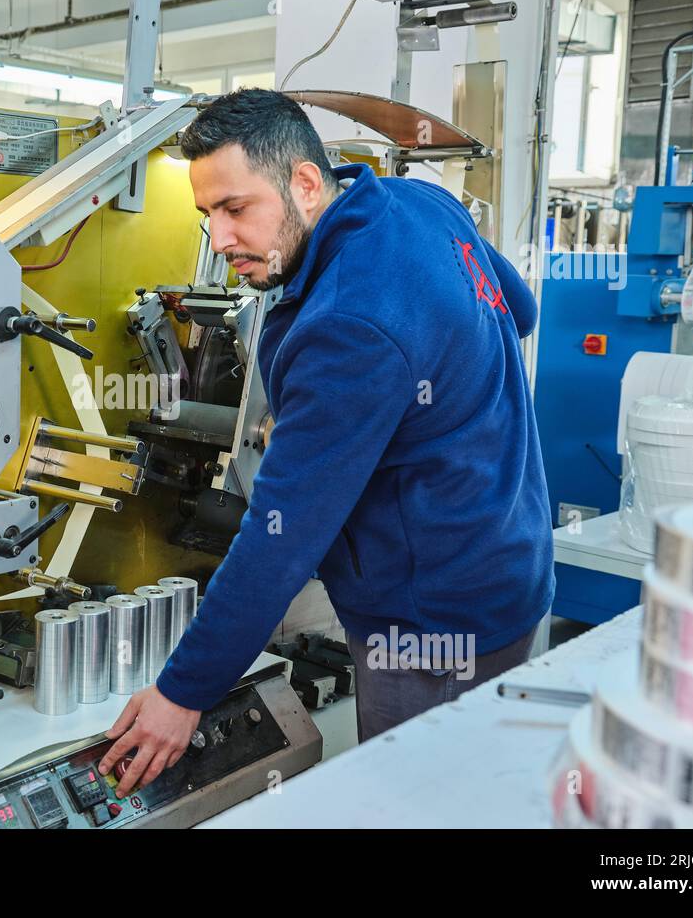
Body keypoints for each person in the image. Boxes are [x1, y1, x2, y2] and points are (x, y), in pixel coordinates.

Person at [100, 88, 554, 796]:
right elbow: (517, 311)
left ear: (306, 183)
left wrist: (181, 694)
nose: (219, 242)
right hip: (513, 563)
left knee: (421, 808)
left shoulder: (348, 326)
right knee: (490, 790)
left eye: (235, 208)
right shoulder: (419, 204)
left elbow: (280, 541)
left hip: (428, 629)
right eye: (207, 215)